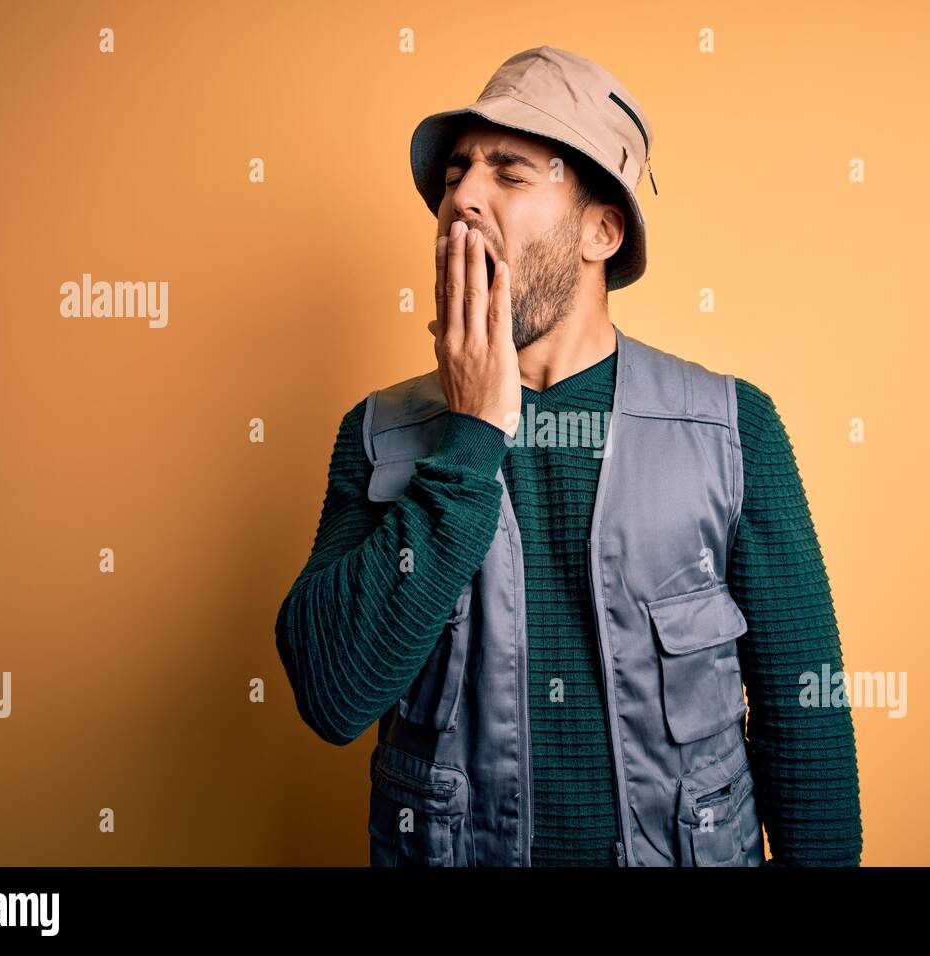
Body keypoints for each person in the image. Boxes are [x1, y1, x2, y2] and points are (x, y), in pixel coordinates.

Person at [275, 45, 862, 867]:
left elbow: (807, 721)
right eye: (454, 174)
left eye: (509, 174)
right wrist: (472, 434)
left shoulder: (733, 431)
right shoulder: (379, 434)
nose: (462, 198)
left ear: (601, 230)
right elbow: (332, 697)